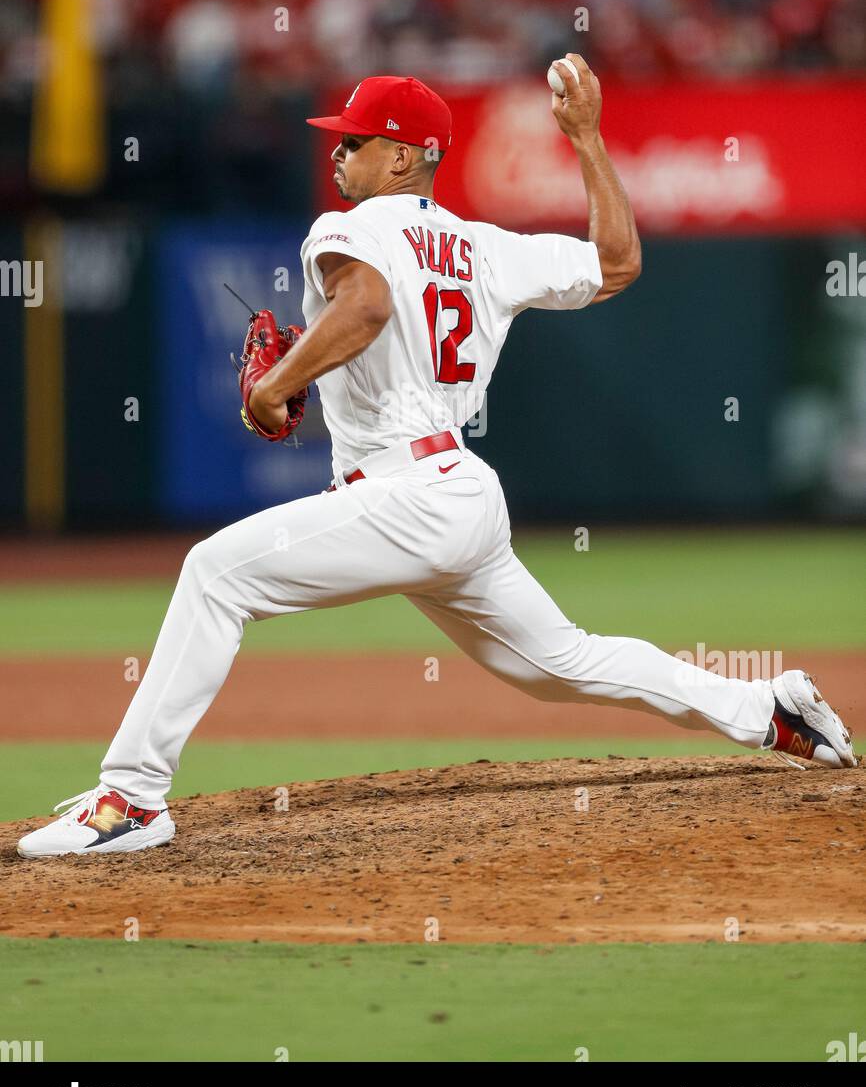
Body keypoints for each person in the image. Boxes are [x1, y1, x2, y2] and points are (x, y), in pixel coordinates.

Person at [18, 58, 856, 858]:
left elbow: (371, 303)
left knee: (213, 573)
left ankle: (128, 799)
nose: (340, 151)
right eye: (340, 137)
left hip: (408, 491)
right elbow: (618, 261)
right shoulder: (486, 246)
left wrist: (277, 382)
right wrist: (588, 140)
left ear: (407, 156)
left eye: (357, 139)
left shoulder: (346, 227)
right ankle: (768, 709)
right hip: (455, 494)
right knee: (561, 663)